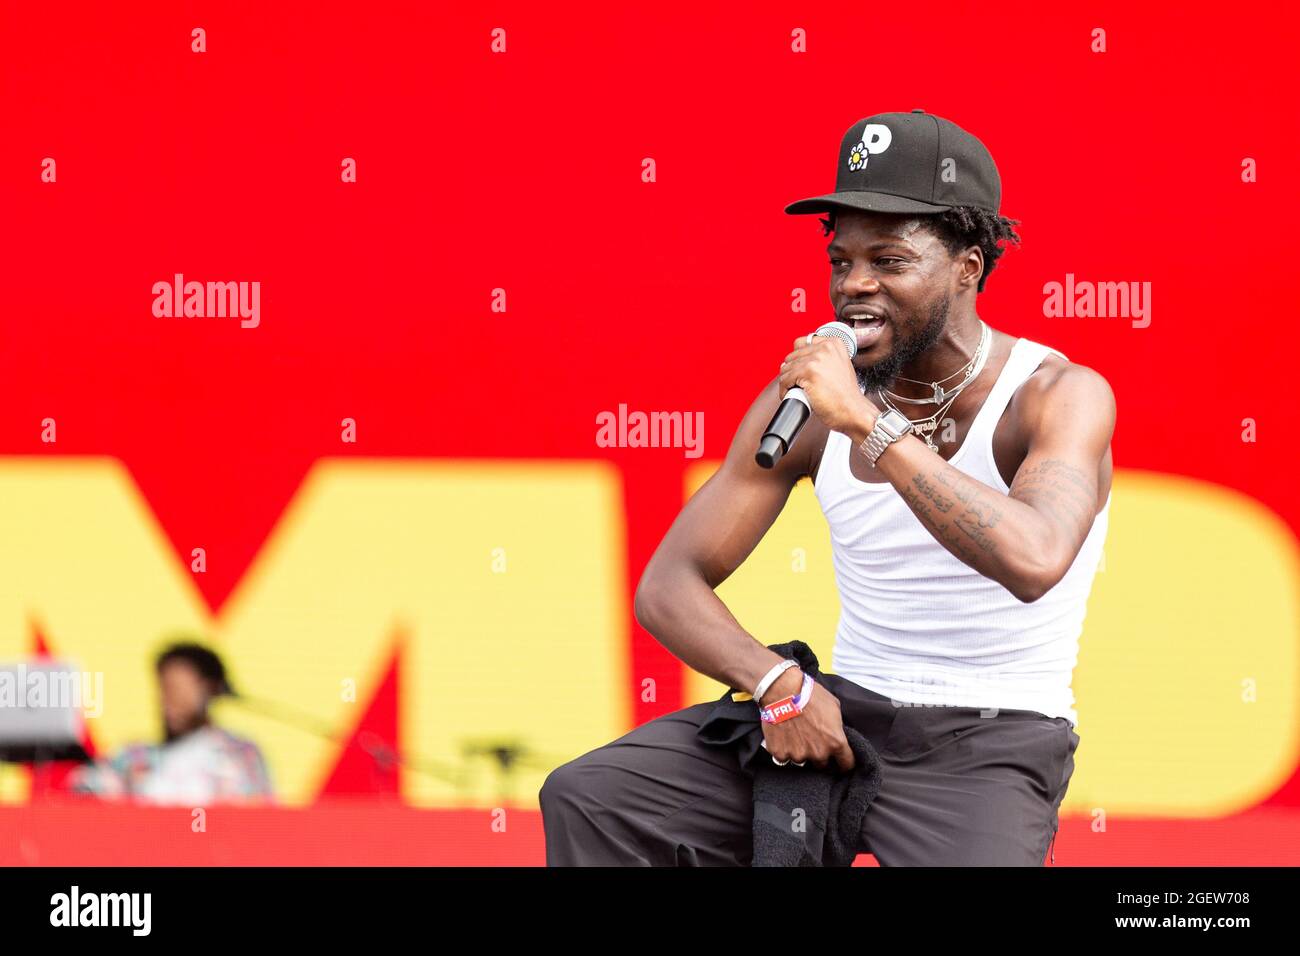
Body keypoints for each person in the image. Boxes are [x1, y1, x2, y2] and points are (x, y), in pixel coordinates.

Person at [540, 110, 1113, 866]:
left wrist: (867, 422)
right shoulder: (810, 403)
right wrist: (778, 682)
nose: (855, 286)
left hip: (992, 736)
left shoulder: (1055, 394)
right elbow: (667, 585)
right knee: (591, 794)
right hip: (844, 712)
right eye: (841, 260)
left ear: (968, 267)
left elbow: (1034, 560)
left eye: (889, 260)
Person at [69, 640, 273, 805]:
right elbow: (84, 790)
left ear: (210, 690)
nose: (169, 703)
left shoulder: (240, 754)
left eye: (177, 690)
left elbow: (259, 821)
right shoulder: (135, 757)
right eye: (164, 691)